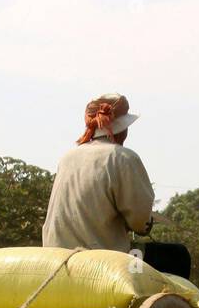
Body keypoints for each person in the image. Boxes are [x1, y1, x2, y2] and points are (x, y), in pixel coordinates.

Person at [42, 93, 155, 253]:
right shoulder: (123, 157)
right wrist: (146, 223)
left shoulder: (67, 158)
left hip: (55, 255)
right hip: (99, 261)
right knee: (177, 255)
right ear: (122, 129)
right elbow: (140, 223)